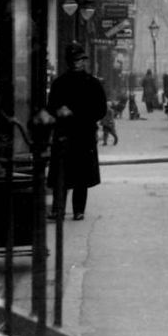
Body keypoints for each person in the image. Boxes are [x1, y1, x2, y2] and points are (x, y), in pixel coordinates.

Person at [46, 42, 108, 221]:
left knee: (78, 175)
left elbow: (101, 109)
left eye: (81, 60)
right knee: (64, 174)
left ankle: (78, 210)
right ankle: (59, 209)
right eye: (76, 60)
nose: (79, 63)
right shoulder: (62, 83)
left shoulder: (91, 83)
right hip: (71, 133)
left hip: (80, 133)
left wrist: (78, 116)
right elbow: (52, 108)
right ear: (69, 62)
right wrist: (62, 113)